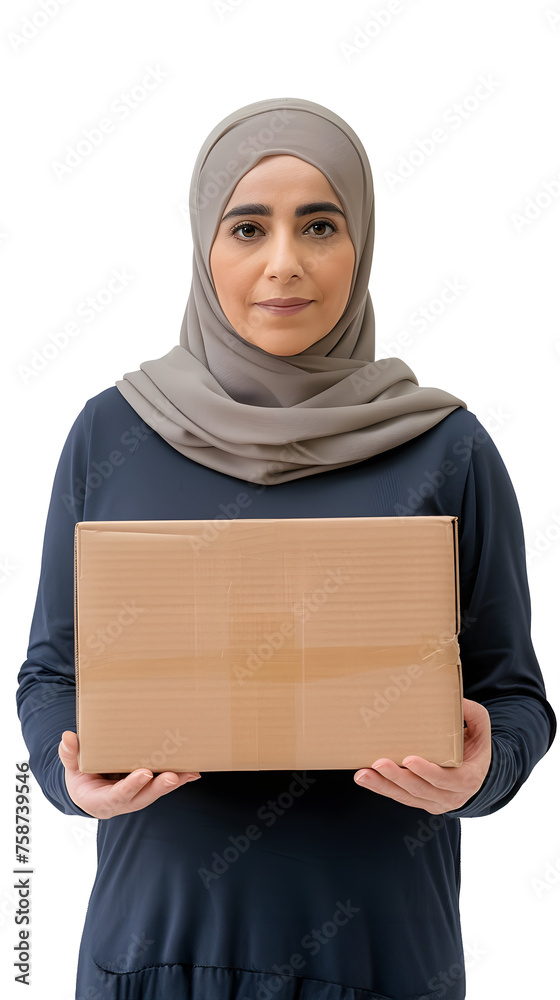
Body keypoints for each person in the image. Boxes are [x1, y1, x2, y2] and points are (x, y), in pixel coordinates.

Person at [16, 96, 556, 1000]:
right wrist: (70, 781)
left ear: (362, 241)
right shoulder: (115, 430)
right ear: (204, 245)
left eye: (319, 225)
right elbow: (50, 674)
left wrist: (482, 767)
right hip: (158, 951)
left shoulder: (446, 447)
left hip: (376, 956)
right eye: (247, 227)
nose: (284, 264)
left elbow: (515, 695)